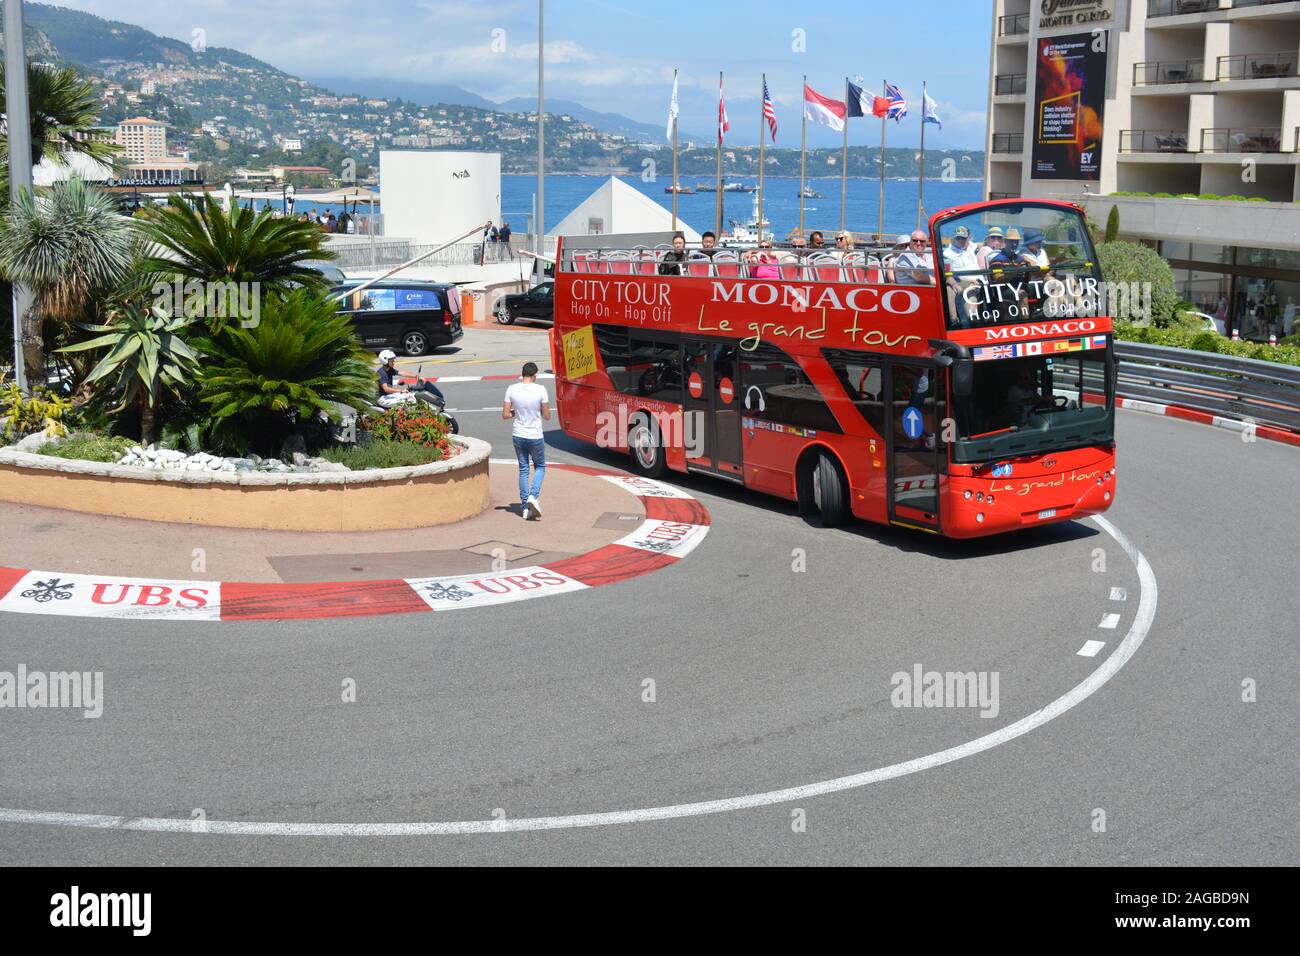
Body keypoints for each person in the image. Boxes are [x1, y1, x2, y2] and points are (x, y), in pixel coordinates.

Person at [502, 362, 551, 520]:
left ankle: (525, 508)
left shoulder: (512, 389)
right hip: (535, 436)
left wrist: (517, 412)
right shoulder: (541, 390)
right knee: (540, 467)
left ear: (522, 374)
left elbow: (505, 415)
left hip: (518, 435)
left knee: (523, 469)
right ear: (534, 375)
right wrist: (540, 410)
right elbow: (547, 416)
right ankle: (533, 496)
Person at [377, 349, 445, 408]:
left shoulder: (389, 370)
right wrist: (400, 391)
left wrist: (417, 377)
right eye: (391, 361)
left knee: (412, 395)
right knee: (411, 399)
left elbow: (402, 373)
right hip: (383, 399)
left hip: (389, 396)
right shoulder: (381, 373)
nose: (393, 362)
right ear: (385, 361)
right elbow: (386, 389)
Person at [943, 226, 982, 326]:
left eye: (963, 238)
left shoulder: (970, 246)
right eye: (958, 238)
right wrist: (959, 282)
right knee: (968, 290)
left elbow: (980, 244)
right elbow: (947, 274)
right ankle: (971, 321)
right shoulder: (948, 254)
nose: (960, 241)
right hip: (963, 281)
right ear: (954, 238)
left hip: (980, 280)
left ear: (968, 238)